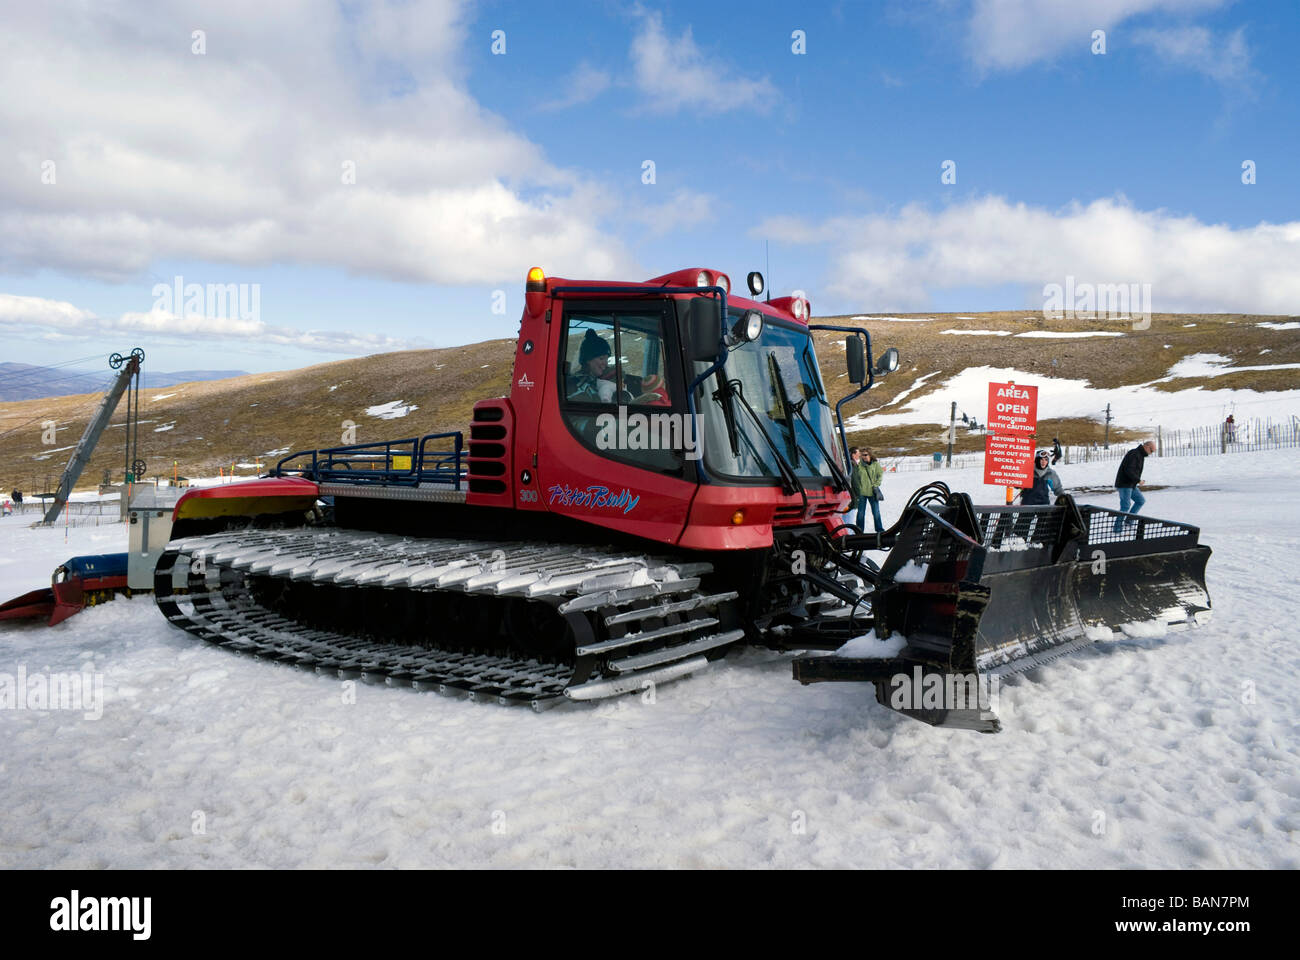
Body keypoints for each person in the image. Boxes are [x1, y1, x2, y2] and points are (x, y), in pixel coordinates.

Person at [1113, 439, 1156, 532]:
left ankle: (1128, 522)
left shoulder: (1140, 455)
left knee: (1140, 500)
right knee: (1125, 506)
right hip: (1124, 484)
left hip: (1131, 484)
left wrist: (1136, 481)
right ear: (1146, 446)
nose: (1151, 453)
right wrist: (1138, 480)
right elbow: (1129, 470)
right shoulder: (1134, 454)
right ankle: (1117, 529)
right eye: (1151, 450)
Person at [568, 330, 617, 403]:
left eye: (607, 359)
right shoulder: (575, 383)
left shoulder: (600, 379)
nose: (606, 364)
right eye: (601, 358)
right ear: (588, 359)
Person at [853, 448, 885, 534]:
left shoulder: (875, 464)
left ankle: (879, 530)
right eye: (862, 455)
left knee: (876, 512)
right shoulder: (859, 465)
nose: (863, 457)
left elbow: (880, 475)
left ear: (870, 455)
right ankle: (859, 531)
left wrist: (876, 485)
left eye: (865, 455)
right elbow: (856, 477)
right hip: (862, 493)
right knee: (860, 513)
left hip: (872, 493)